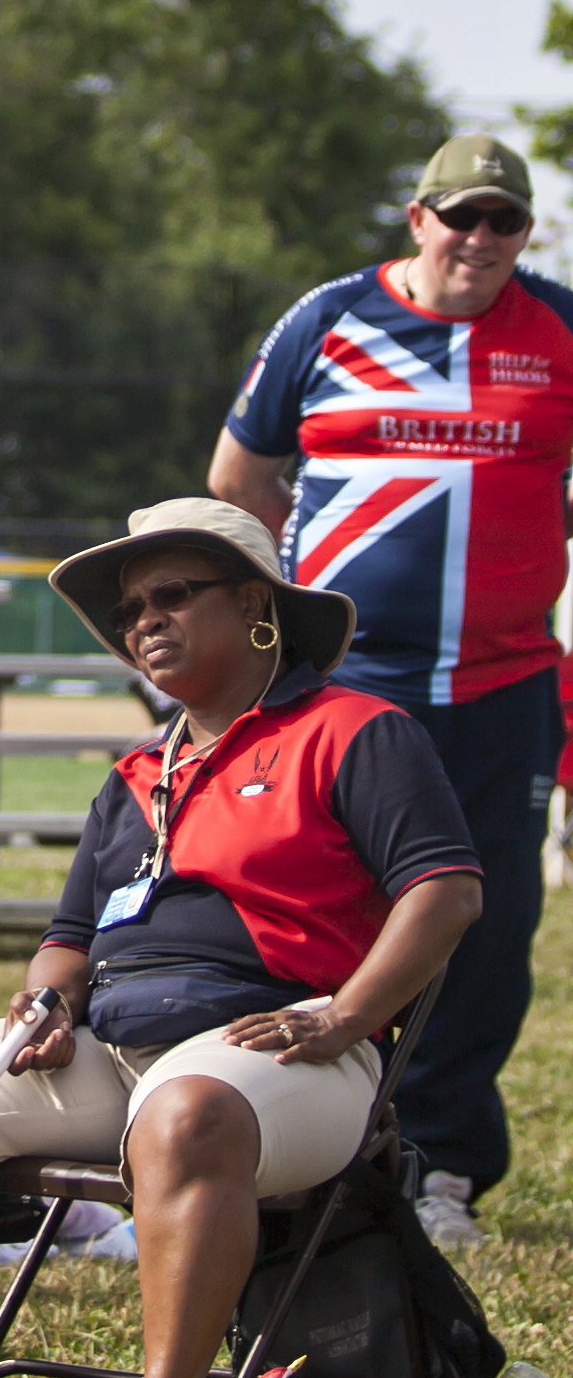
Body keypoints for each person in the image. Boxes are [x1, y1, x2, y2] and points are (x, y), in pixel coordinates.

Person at [0, 501, 482, 1378]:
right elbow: (69, 937)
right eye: (133, 606)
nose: (145, 618)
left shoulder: (356, 732)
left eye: (174, 595)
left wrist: (348, 1012)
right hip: (111, 1048)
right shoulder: (138, 770)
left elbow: (445, 893)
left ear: (256, 605)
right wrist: (50, 998)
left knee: (184, 1112)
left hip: (285, 1049)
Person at [208, 132, 573, 1252]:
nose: (479, 239)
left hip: (502, 684)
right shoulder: (325, 320)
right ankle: (294, 1132)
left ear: (523, 234)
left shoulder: (559, 326)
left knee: (489, 923)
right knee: (313, 907)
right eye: (458, 216)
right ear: (416, 218)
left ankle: (441, 1163)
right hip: (345, 684)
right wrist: (275, 632)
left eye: (501, 222)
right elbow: (239, 476)